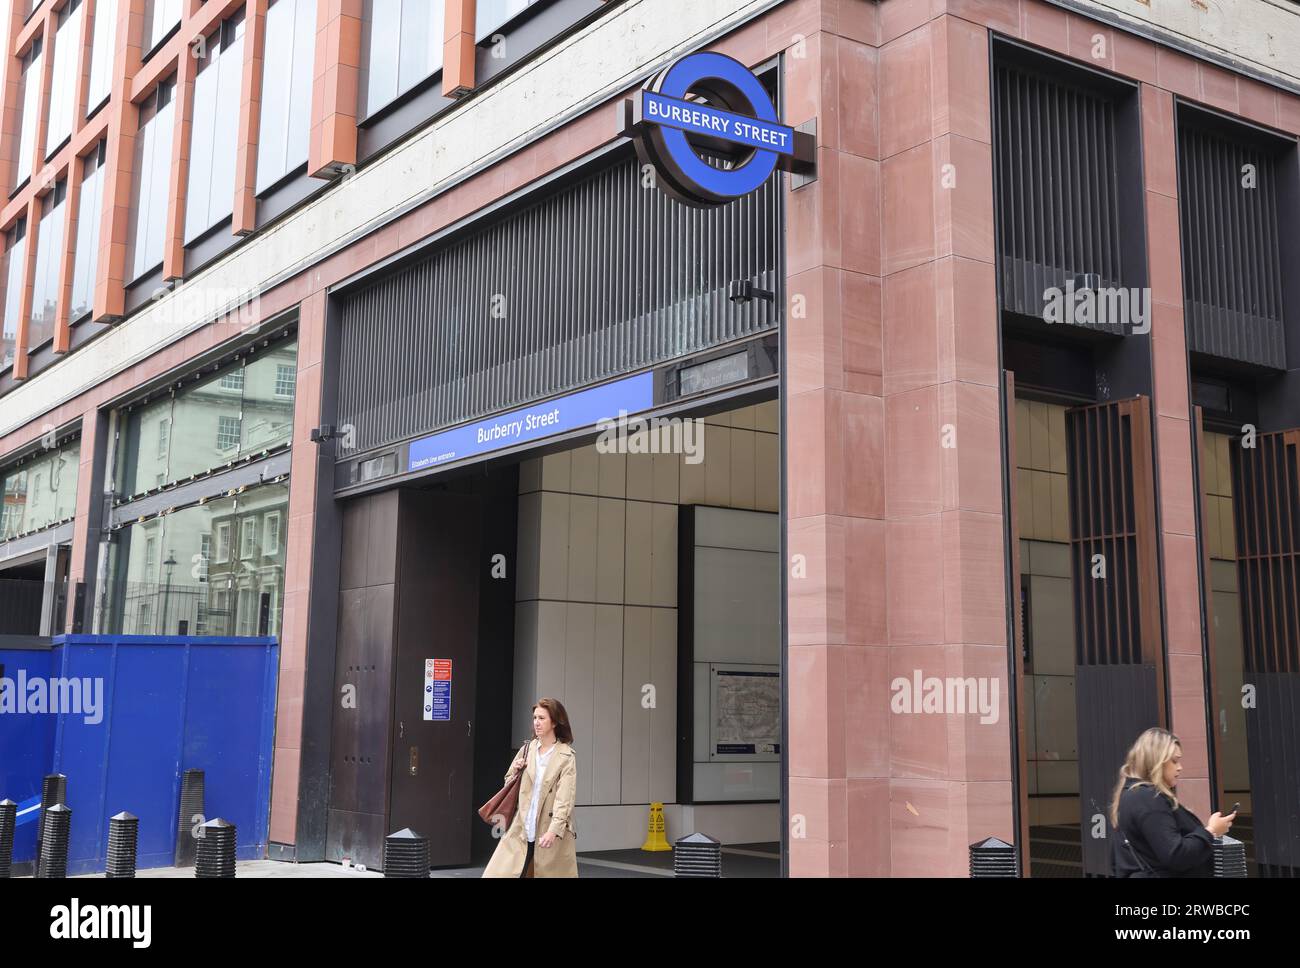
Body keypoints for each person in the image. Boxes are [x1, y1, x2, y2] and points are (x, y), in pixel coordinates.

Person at [1110, 727, 1235, 877]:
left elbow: (1115, 860)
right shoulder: (1147, 798)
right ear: (1156, 761)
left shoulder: (1132, 795)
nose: (1180, 768)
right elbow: (1176, 855)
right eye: (1174, 761)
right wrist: (1210, 831)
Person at [482, 698, 578, 878]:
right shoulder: (527, 749)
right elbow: (508, 785)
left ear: (555, 722)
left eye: (542, 718)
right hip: (521, 827)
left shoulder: (566, 756)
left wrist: (554, 830)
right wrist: (516, 771)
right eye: (534, 718)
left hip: (548, 830)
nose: (536, 722)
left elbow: (565, 798)